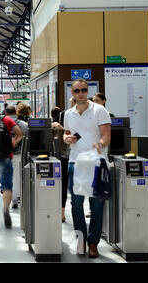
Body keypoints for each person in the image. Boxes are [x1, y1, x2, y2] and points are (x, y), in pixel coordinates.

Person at [63, 79, 111, 258]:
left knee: (96, 204)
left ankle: (93, 243)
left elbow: (106, 136)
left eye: (83, 90)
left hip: (96, 162)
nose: (80, 93)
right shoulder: (68, 113)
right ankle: (81, 239)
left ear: (87, 91)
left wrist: (100, 144)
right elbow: (66, 133)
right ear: (72, 93)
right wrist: (66, 139)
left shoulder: (100, 110)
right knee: (76, 203)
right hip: (75, 162)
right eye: (77, 91)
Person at [4, 106, 28, 209]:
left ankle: (9, 197)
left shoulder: (2, 123)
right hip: (19, 154)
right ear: (16, 113)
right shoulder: (23, 124)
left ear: (6, 113)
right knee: (17, 176)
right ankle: (16, 197)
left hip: (5, 154)